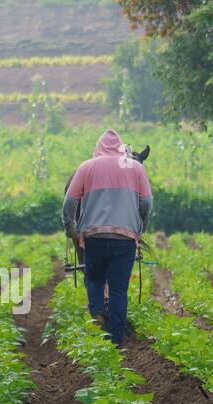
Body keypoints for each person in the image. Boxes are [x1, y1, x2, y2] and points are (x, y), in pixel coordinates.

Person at [62, 129, 152, 347]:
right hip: (125, 239)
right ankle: (116, 342)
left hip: (94, 238)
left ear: (98, 148)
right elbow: (147, 203)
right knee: (119, 289)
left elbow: (69, 204)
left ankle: (98, 313)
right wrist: (140, 228)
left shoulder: (86, 167)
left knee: (93, 279)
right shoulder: (137, 168)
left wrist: (70, 229)